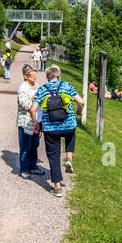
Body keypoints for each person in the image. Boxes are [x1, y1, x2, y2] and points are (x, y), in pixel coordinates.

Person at [30, 65, 84, 198]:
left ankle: (57, 188)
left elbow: (33, 109)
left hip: (51, 129)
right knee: (71, 135)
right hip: (68, 125)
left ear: (48, 77)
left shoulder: (42, 89)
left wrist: (36, 123)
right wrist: (79, 111)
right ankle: (69, 158)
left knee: (54, 156)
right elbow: (81, 102)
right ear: (59, 76)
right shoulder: (66, 86)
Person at [16, 64, 44, 179]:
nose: (35, 77)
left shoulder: (37, 86)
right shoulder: (23, 88)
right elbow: (25, 105)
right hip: (26, 122)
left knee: (35, 144)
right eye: (32, 76)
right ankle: (24, 169)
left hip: (36, 120)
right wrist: (36, 98)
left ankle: (33, 166)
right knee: (25, 146)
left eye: (35, 75)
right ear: (26, 76)